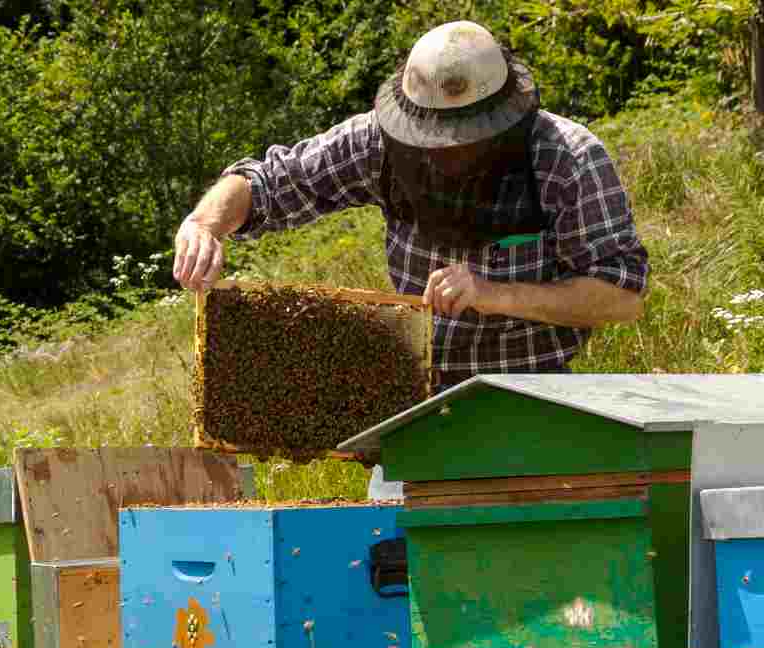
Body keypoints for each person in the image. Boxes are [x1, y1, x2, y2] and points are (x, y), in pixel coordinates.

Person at [172, 20, 649, 497]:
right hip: (417, 416)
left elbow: (623, 296)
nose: (448, 150)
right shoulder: (377, 144)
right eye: (434, 135)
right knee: (394, 541)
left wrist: (496, 295)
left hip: (533, 406)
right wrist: (203, 224)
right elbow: (270, 182)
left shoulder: (568, 157)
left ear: (503, 121)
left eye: (465, 138)